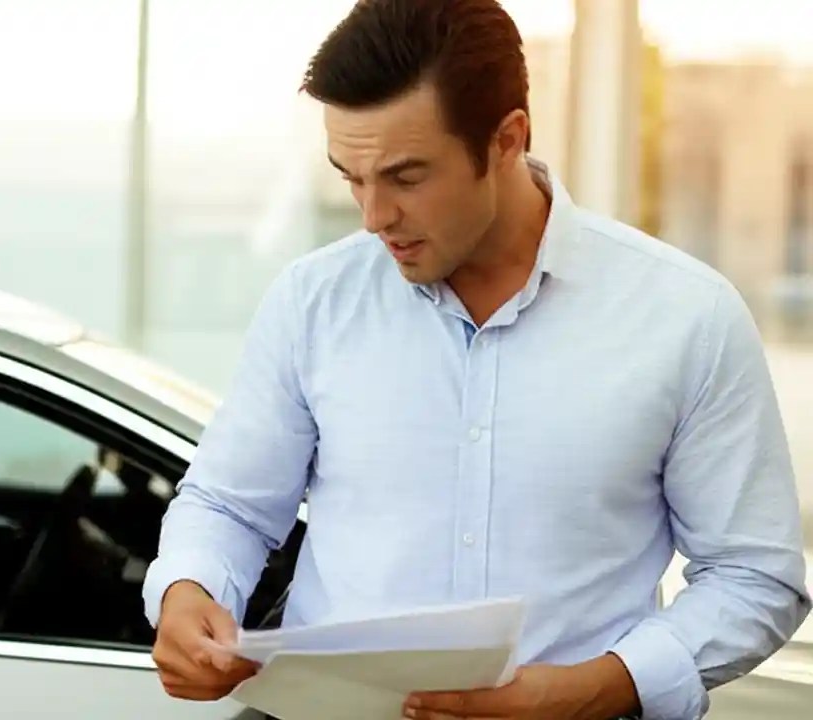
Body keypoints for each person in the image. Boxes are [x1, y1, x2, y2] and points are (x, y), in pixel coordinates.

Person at [141, 1, 811, 718]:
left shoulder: (688, 320)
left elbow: (755, 576)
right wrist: (189, 592)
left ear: (507, 139)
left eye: (405, 177)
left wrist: (595, 689)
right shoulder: (313, 303)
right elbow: (227, 506)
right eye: (350, 177)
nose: (373, 217)